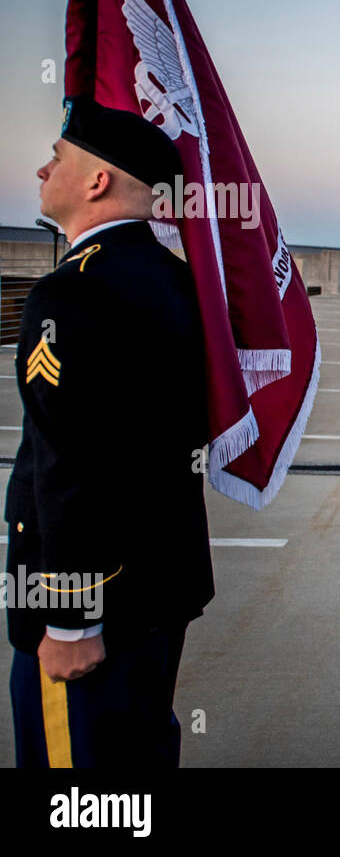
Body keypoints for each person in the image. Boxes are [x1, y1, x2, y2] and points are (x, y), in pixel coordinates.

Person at [7, 96, 212, 767]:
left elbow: (70, 463)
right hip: (158, 589)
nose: (43, 170)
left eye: (58, 157)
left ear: (97, 181)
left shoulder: (72, 294)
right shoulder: (179, 283)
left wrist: (68, 616)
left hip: (95, 611)